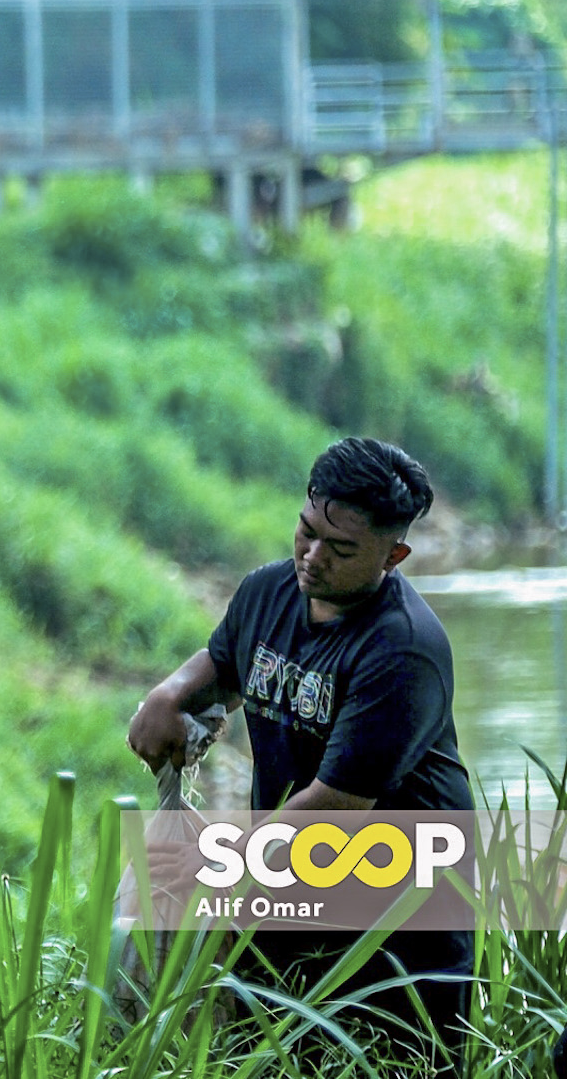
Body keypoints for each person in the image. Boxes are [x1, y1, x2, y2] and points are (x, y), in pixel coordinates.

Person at [128, 436, 474, 1073]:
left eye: (340, 549)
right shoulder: (269, 591)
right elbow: (230, 665)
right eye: (306, 531)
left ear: (393, 555)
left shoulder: (403, 652)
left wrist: (219, 861)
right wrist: (172, 691)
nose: (312, 558)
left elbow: (339, 808)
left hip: (395, 939)